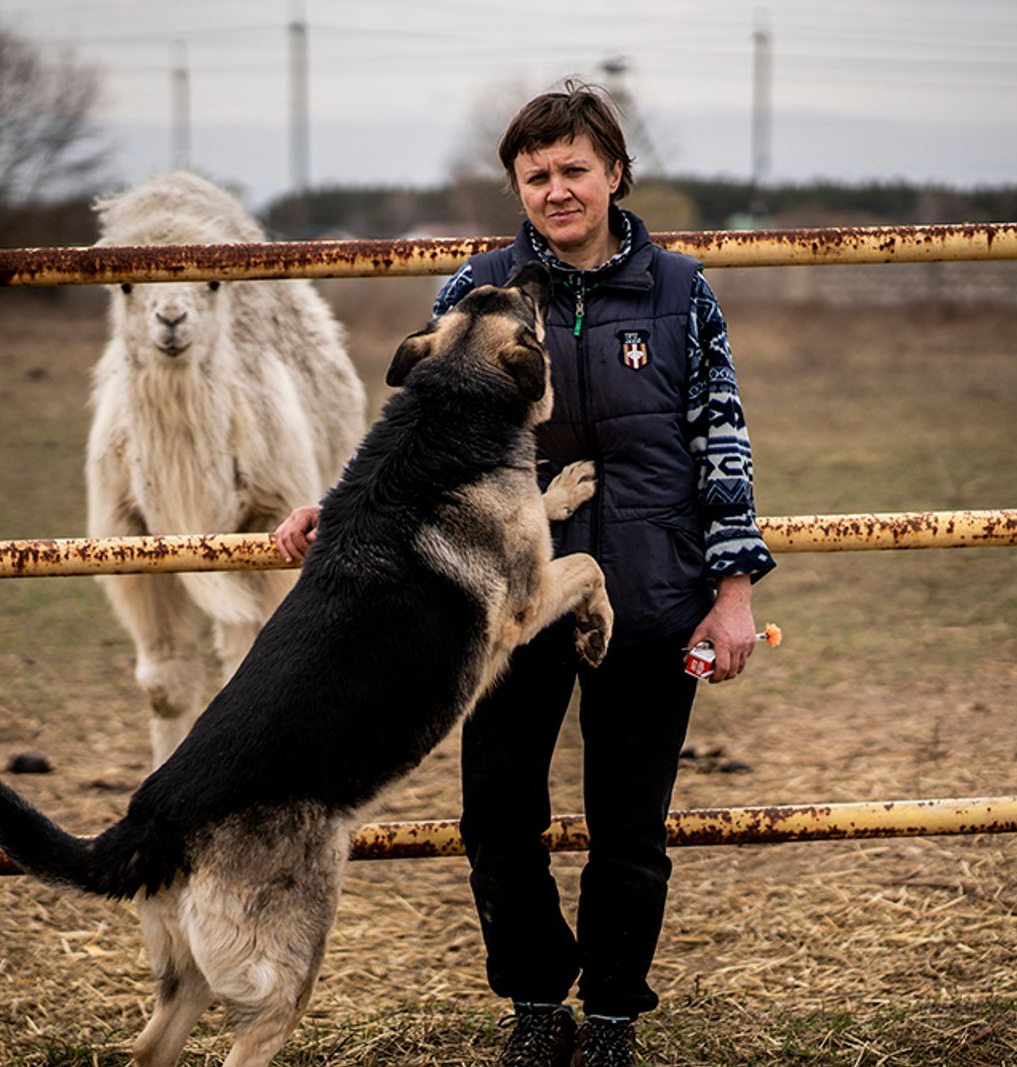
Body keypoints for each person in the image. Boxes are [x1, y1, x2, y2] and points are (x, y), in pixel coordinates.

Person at [274, 81, 774, 1067]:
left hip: (651, 592)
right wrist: (341, 506)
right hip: (504, 601)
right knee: (497, 814)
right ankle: (537, 1001)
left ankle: (616, 1017)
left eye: (574, 169)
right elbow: (423, 432)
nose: (556, 189)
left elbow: (722, 441)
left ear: (615, 172)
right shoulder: (479, 288)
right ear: (517, 182)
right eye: (536, 173)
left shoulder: (680, 291)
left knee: (631, 824)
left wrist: (733, 590)